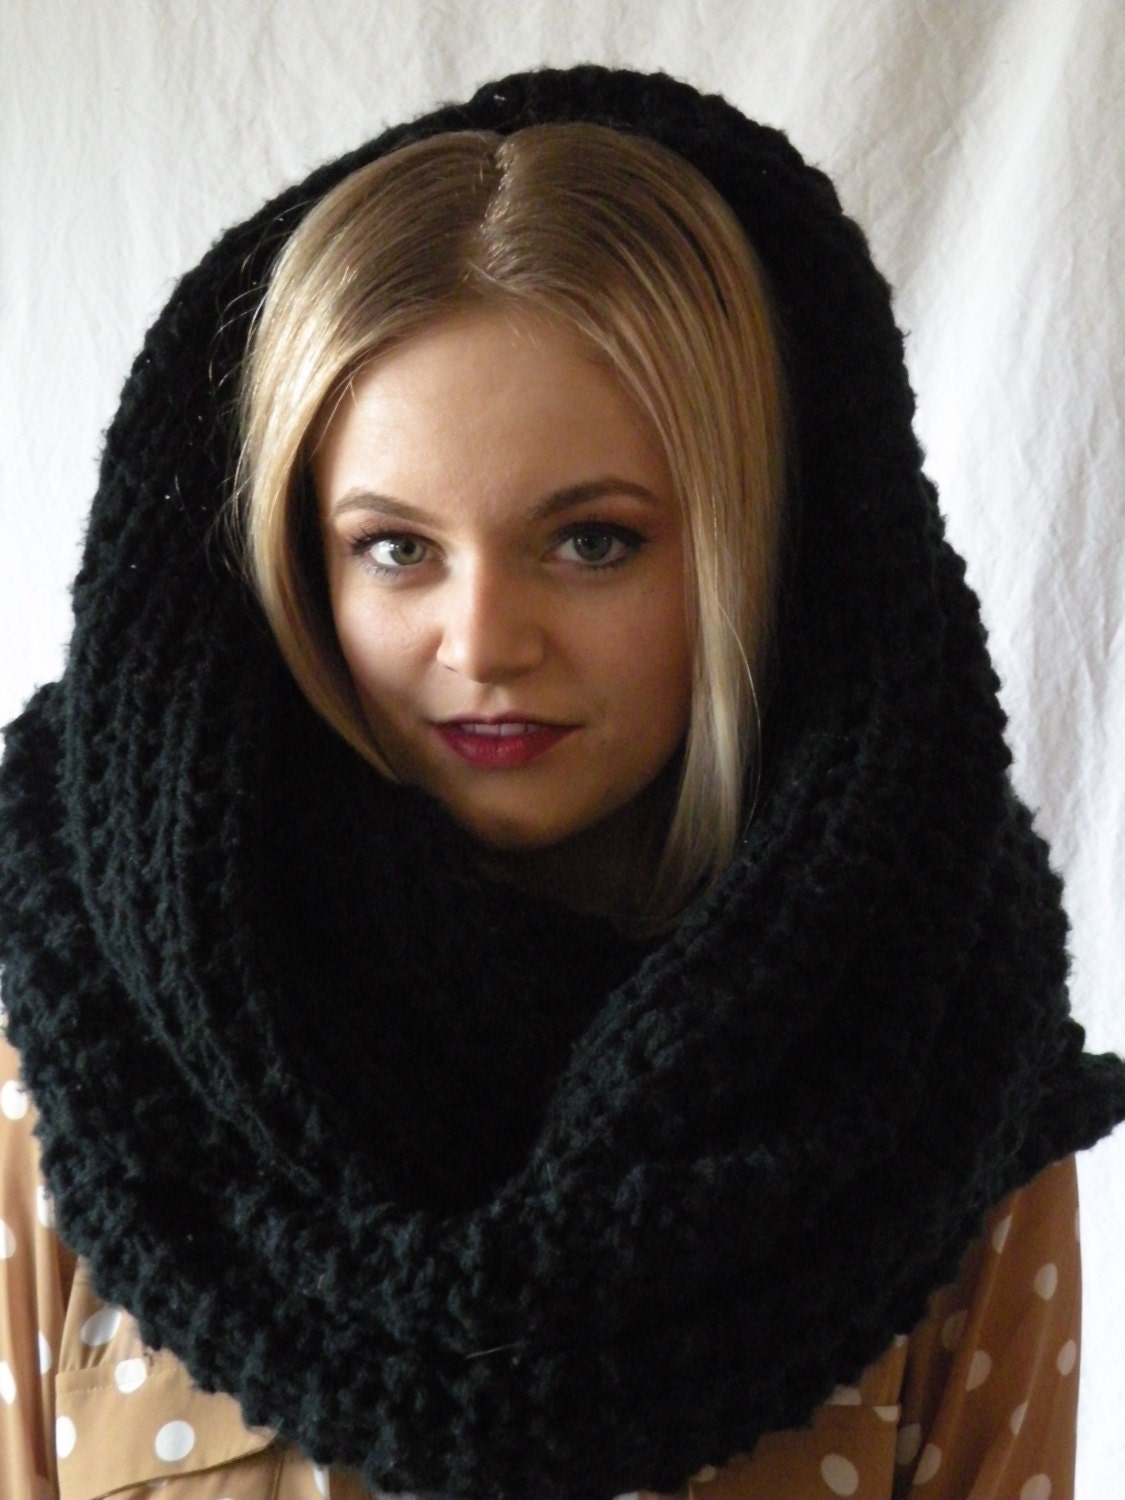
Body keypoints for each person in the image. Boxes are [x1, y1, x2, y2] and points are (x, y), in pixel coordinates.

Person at [0, 64, 1121, 1500]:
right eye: (396, 548)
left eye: (592, 541)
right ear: (296, 562)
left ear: (747, 551)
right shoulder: (78, 1066)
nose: (482, 643)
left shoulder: (936, 1086)